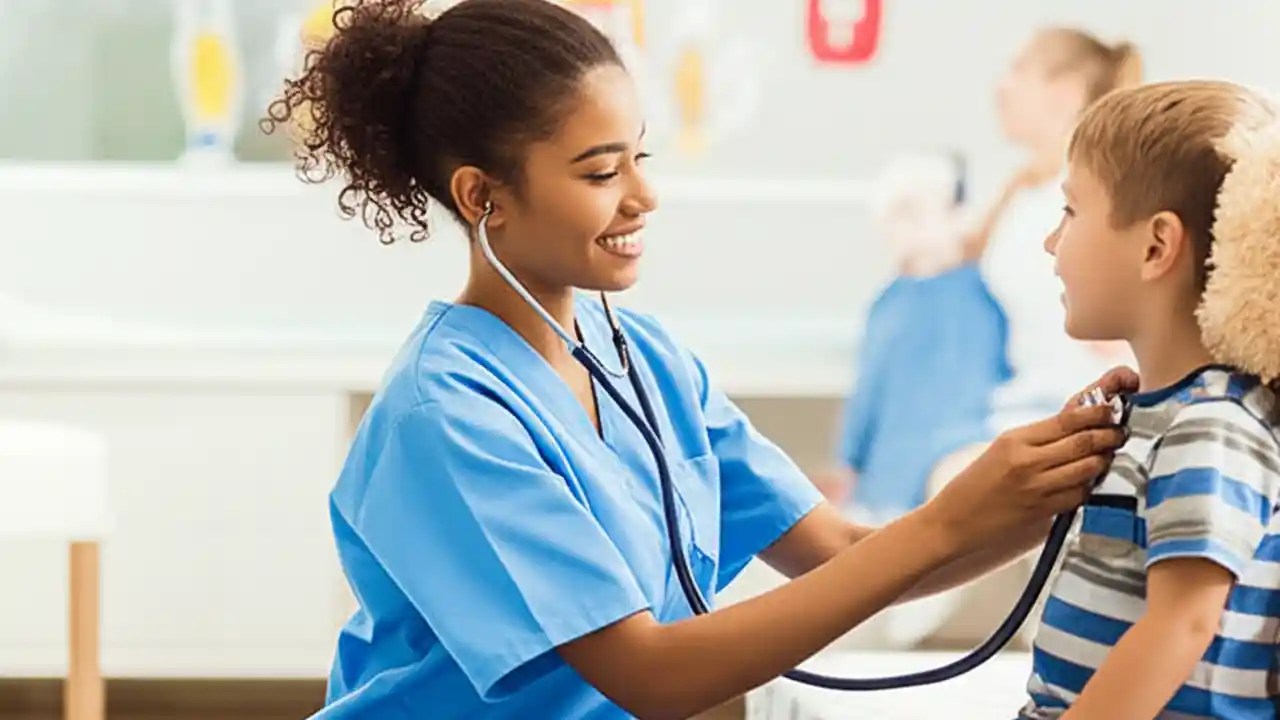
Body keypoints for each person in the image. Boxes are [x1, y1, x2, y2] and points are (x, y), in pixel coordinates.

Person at [262, 1, 1129, 717]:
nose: (645, 194)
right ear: (481, 194)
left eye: (640, 156)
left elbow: (838, 553)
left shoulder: (645, 360)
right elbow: (652, 673)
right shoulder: (446, 415)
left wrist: (1039, 496)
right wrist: (951, 519)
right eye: (601, 173)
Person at [1019, 80, 1280, 719]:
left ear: (1156, 245)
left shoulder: (1211, 425)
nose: (1051, 242)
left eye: (1071, 212)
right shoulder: (1161, 417)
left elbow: (1182, 625)